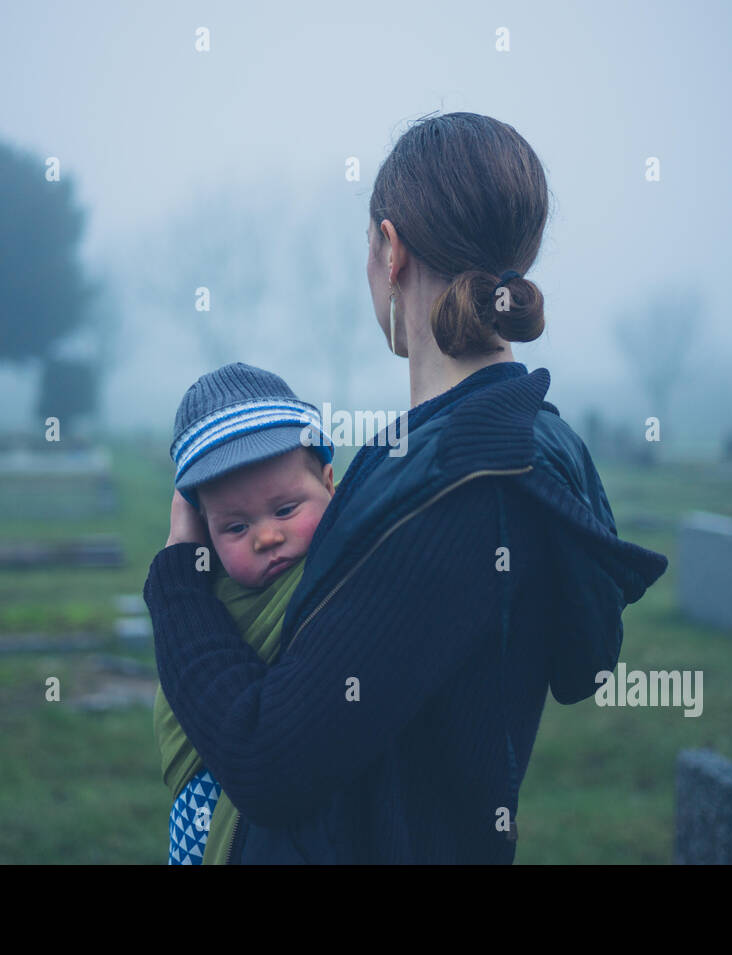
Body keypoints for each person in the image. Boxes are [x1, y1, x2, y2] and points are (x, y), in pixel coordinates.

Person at [144, 111, 669, 863]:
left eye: (370, 247)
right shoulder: (524, 440)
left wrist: (178, 579)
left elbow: (268, 764)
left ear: (389, 250)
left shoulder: (456, 486)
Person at [151, 362, 335, 864]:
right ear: (201, 530)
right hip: (203, 814)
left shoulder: (344, 575)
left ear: (330, 483)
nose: (266, 537)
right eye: (234, 527)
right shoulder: (205, 602)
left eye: (285, 510)